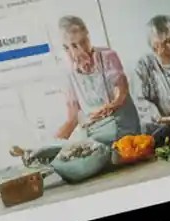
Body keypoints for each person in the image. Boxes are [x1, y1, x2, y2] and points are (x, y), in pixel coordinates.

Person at [54, 15, 141, 145]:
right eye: (74, 45)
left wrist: (110, 106)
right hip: (98, 134)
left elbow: (121, 91)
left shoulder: (107, 56)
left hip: (125, 129)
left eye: (84, 42)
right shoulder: (68, 74)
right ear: (66, 48)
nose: (82, 49)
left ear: (88, 36)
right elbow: (72, 119)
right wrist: (52, 144)